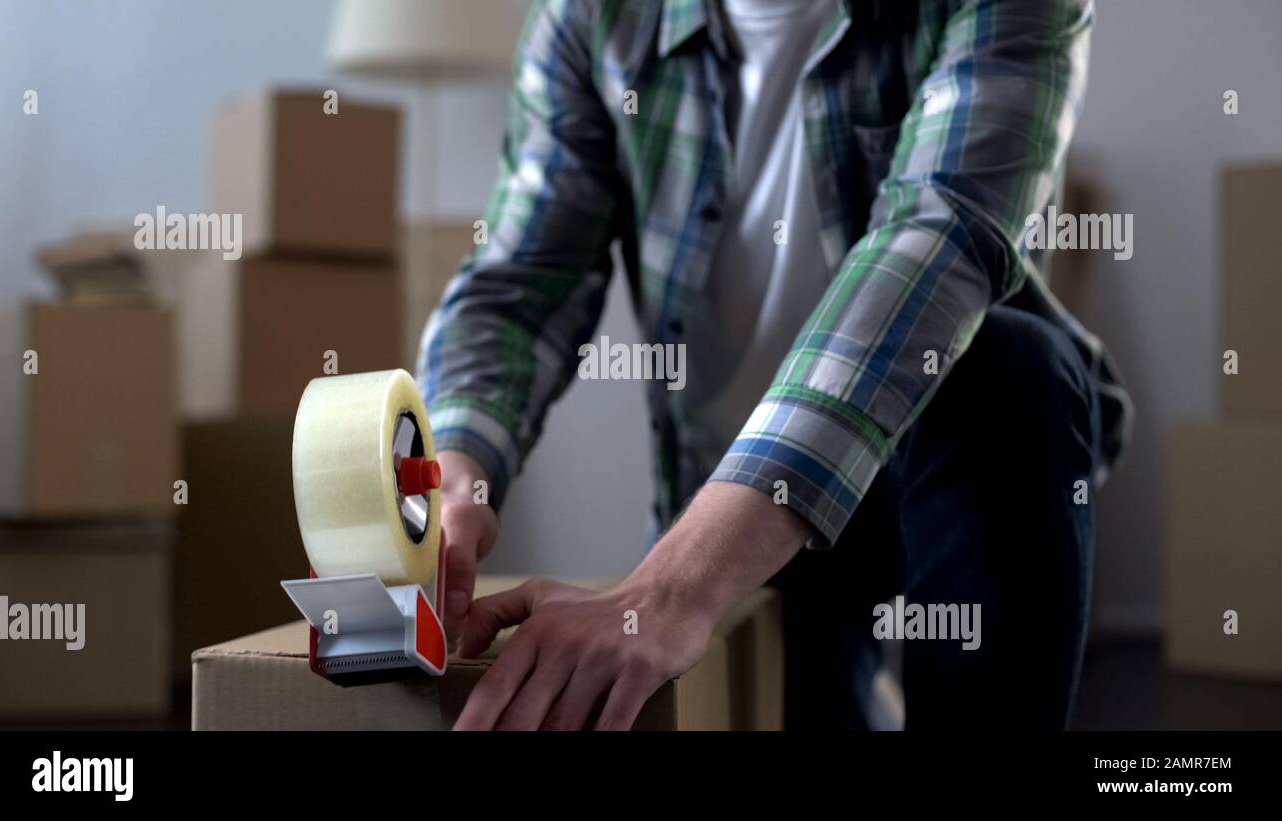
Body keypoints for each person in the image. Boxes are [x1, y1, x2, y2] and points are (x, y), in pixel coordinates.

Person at [417, 0, 1130, 730]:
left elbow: (938, 238)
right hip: (726, 522)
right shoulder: (590, 19)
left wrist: (671, 588)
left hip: (930, 480)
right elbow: (519, 283)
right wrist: (455, 468)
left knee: (1013, 370)